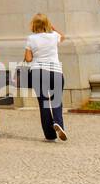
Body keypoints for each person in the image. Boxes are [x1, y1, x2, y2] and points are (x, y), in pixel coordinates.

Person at [23, 13, 67, 141]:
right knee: (56, 100)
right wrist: (53, 28)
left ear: (33, 24)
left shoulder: (31, 38)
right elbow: (63, 37)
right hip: (55, 72)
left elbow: (28, 58)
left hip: (38, 72)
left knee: (44, 103)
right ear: (46, 24)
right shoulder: (53, 36)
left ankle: (50, 135)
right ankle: (58, 122)